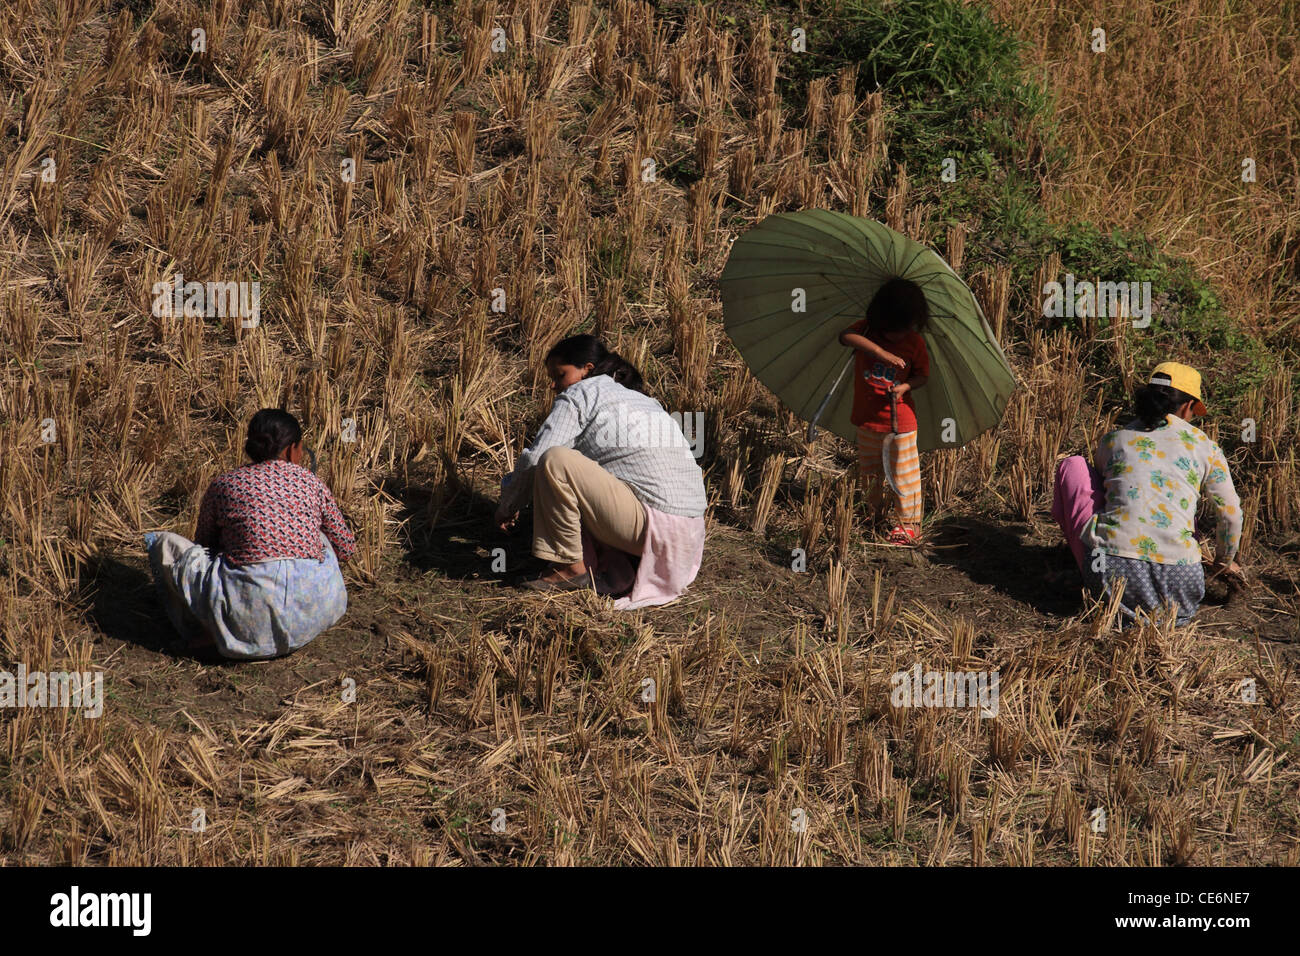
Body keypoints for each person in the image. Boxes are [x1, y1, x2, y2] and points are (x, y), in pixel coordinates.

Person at [494, 334, 706, 607]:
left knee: (555, 461)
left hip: (652, 530)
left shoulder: (582, 392)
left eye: (560, 375)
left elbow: (536, 459)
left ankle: (571, 569)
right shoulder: (646, 402)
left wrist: (507, 505)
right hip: (686, 541)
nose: (554, 385)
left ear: (587, 370)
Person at [144, 408, 356, 658]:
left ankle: (204, 631)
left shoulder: (224, 485)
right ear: (291, 450)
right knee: (321, 537)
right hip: (311, 618)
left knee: (162, 544)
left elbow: (204, 545)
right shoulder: (312, 482)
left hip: (243, 622)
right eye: (301, 449)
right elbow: (345, 548)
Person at [1052, 362, 1243, 626]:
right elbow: (1231, 515)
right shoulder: (1206, 446)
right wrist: (1224, 562)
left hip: (1108, 574)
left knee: (1072, 466)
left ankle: (1091, 575)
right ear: (1187, 406)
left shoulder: (1113, 439)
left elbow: (1104, 499)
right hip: (1182, 587)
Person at [838, 277, 931, 545]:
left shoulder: (914, 343)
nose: (896, 337)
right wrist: (880, 351)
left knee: (904, 473)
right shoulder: (866, 332)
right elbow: (844, 337)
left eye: (902, 330)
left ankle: (909, 523)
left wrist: (904, 387)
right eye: (890, 330)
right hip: (867, 419)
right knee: (870, 471)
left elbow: (923, 377)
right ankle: (873, 513)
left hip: (900, 423)